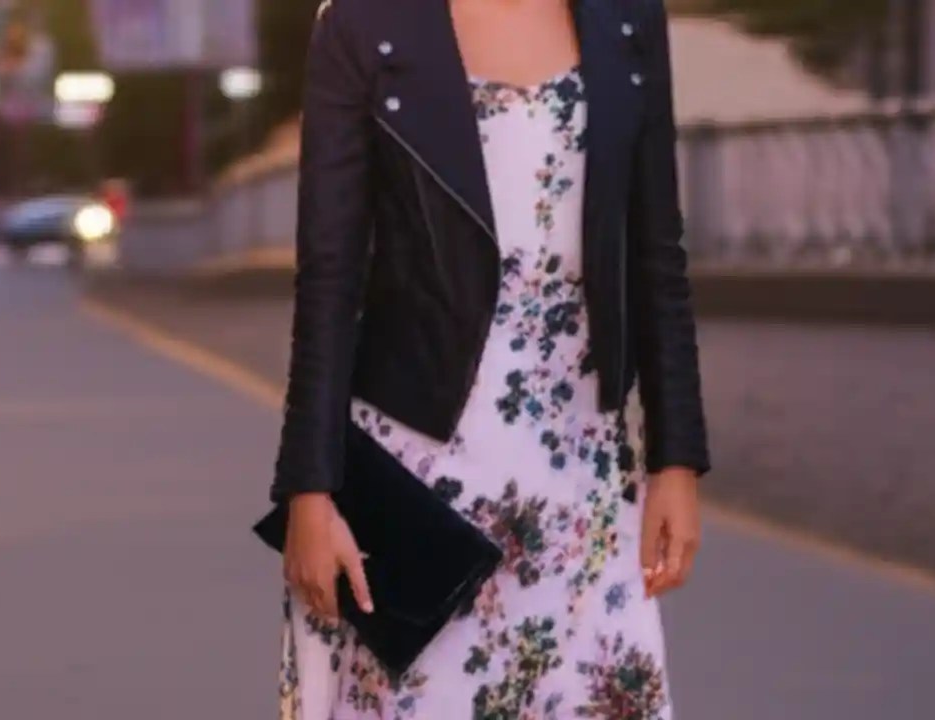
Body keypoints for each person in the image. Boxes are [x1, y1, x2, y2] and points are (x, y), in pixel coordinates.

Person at [272, 0, 711, 715]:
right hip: (417, 477)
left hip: (583, 478)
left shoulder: (626, 17)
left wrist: (677, 460)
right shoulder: (362, 23)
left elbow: (658, 255)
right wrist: (309, 490)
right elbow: (329, 278)